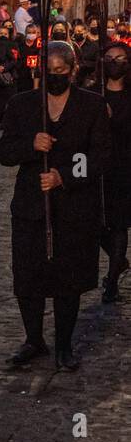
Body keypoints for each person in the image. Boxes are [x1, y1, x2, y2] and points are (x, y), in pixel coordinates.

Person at [0, 42, 110, 371]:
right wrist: (31, 145)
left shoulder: (92, 105)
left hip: (74, 208)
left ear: (73, 71)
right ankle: (34, 338)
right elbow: (4, 153)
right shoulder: (22, 104)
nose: (55, 78)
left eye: (62, 72)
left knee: (67, 277)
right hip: (31, 206)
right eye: (50, 73)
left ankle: (64, 345)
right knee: (28, 275)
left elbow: (101, 155)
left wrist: (65, 176)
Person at [100, 42, 131, 302]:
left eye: (119, 58)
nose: (114, 62)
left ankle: (111, 281)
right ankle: (118, 259)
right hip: (97, 167)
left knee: (119, 223)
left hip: (124, 166)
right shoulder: (92, 94)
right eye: (109, 58)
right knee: (96, 223)